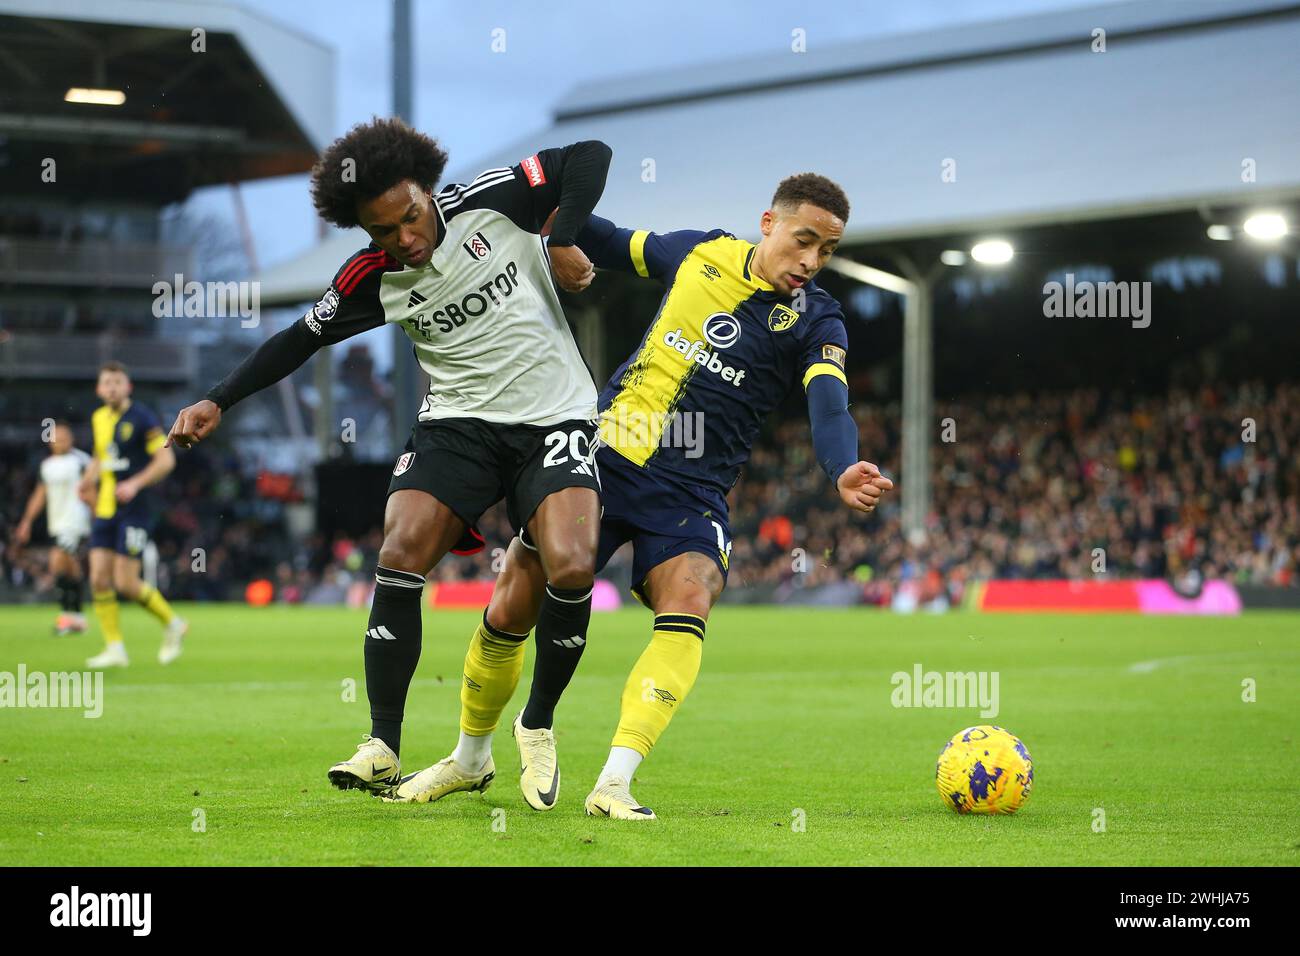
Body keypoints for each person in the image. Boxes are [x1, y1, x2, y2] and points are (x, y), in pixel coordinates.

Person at [402, 173, 894, 818]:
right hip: (606, 453)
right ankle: (471, 757)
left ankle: (613, 782)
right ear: (769, 223)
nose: (811, 261)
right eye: (804, 241)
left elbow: (829, 402)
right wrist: (546, 208)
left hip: (693, 490)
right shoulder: (700, 253)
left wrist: (842, 465)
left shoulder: (816, 318)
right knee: (514, 603)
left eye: (827, 251)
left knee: (691, 598)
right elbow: (609, 240)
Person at [167, 118, 611, 800]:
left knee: (574, 564)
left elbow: (588, 154)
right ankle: (382, 744)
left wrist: (565, 235)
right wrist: (217, 401)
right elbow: (296, 340)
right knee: (400, 551)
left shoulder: (491, 202)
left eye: (410, 217)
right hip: (458, 425)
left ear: (427, 191)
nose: (405, 238)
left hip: (555, 413)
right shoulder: (370, 278)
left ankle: (538, 724)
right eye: (383, 231)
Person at [82, 361, 188, 668]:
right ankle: (115, 648)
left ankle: (173, 623)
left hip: (135, 510)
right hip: (105, 508)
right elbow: (101, 456)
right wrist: (87, 478)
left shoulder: (142, 418)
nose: (112, 387)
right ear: (99, 389)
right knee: (99, 579)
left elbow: (166, 460)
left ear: (128, 387)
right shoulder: (98, 418)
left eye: (118, 382)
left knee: (126, 583)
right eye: (107, 382)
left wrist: (135, 484)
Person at [13, 421, 92, 635]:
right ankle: (76, 617)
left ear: (72, 439)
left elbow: (95, 489)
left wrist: (97, 515)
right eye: (57, 437)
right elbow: (40, 495)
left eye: (65, 437)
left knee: (58, 561)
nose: (61, 441)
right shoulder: (47, 466)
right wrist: (27, 521)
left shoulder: (82, 461)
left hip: (76, 521)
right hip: (56, 523)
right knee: (67, 567)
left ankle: (68, 617)